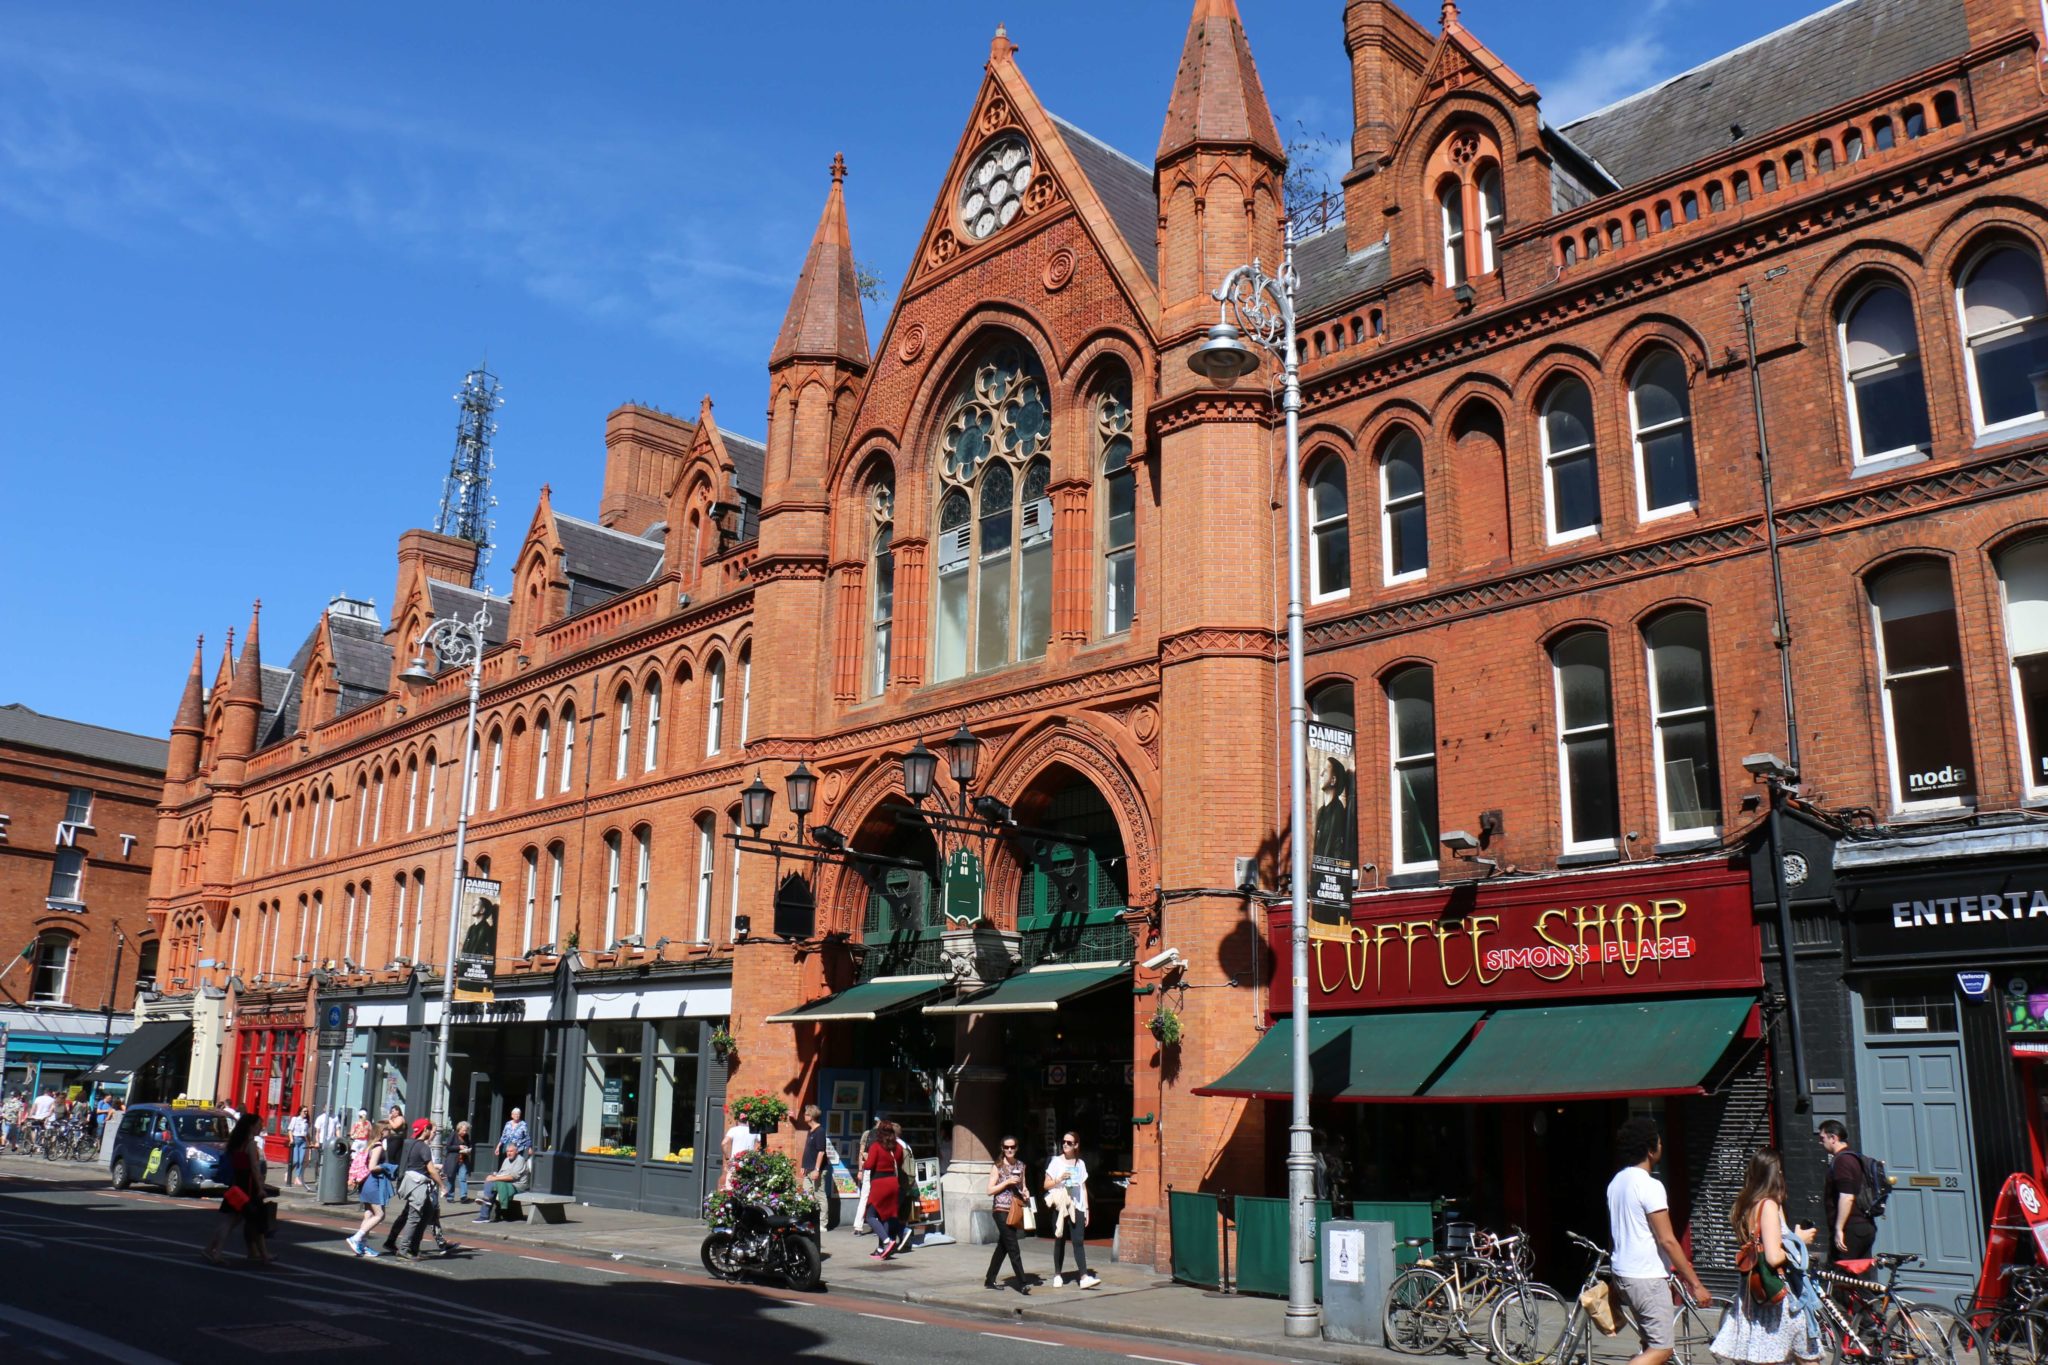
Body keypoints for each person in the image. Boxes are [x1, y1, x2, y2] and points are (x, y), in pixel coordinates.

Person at [1608, 1116, 1710, 1365]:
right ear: (1650, 1149)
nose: (1661, 1147)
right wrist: (1695, 1284)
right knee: (1662, 1350)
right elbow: (1668, 1240)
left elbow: (1614, 1235)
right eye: (1659, 1142)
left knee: (1648, 1345)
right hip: (1647, 1278)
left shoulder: (1616, 1182)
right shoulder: (1650, 1186)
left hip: (1623, 1274)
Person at [1711, 1149, 1821, 1364]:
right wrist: (1799, 1241)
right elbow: (1773, 1256)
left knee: (1770, 1356)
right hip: (1777, 1292)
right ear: (1775, 1173)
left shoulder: (1745, 1206)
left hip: (1754, 1293)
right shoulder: (1767, 1205)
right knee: (1806, 1356)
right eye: (1780, 1171)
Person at [203, 1112, 270, 1266]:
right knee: (253, 1219)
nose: (261, 1127)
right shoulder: (250, 1144)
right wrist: (260, 1187)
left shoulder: (236, 1143)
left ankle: (212, 1250)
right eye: (259, 1124)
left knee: (230, 1221)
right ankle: (217, 1252)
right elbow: (254, 1167)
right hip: (248, 1187)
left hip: (236, 1185)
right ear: (251, 1126)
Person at [385, 1118, 453, 1259]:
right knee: (414, 1217)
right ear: (425, 1130)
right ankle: (405, 1249)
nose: (432, 1133)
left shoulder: (410, 1143)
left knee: (427, 1212)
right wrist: (442, 1186)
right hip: (417, 1186)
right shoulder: (423, 1147)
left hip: (409, 1183)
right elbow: (431, 1170)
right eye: (431, 1129)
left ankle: (414, 1247)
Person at [1043, 1130, 1101, 1288]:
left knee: (1078, 1241)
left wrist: (1087, 1209)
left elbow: (1083, 1187)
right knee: (1059, 1239)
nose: (1065, 1145)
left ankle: (1083, 1277)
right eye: (1064, 1142)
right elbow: (1046, 1184)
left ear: (1076, 1145)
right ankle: (1057, 1274)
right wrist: (1059, 1179)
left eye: (1069, 1142)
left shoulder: (1080, 1164)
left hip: (1077, 1206)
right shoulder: (1056, 1162)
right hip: (1061, 1205)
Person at [1817, 1121, 1877, 1262]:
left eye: (1822, 1138)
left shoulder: (1843, 1161)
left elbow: (1847, 1196)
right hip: (1864, 1227)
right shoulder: (1854, 1158)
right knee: (1859, 1277)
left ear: (1833, 1138)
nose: (1820, 1142)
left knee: (1841, 1278)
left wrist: (1839, 1228)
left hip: (1851, 1230)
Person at [346, 1112, 403, 1257]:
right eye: (388, 1129)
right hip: (373, 1182)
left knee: (369, 1214)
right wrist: (386, 1166)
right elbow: (372, 1167)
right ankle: (356, 1238)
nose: (390, 1132)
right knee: (380, 1214)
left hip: (367, 1183)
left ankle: (362, 1244)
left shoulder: (370, 1144)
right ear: (382, 1131)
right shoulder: (377, 1147)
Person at [984, 1135, 1030, 1294]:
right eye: (1006, 1147)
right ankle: (1023, 1283)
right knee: (1013, 1246)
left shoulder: (1021, 1166)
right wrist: (1006, 1182)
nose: (1009, 1150)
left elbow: (1023, 1186)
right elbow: (989, 1190)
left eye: (1012, 1147)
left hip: (1014, 1209)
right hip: (1000, 1210)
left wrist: (1025, 1193)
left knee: (1003, 1246)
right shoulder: (997, 1166)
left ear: (1016, 1148)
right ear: (1002, 1149)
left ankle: (990, 1279)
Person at [861, 1119, 906, 1259]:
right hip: (893, 1182)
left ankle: (887, 1241)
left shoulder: (876, 1146)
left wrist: (864, 1161)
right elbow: (899, 1162)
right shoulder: (898, 1147)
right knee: (884, 1216)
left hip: (880, 1183)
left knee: (870, 1215)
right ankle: (881, 1249)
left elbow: (869, 1165)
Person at [800, 1104, 840, 1231]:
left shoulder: (820, 1131)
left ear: (811, 1116)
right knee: (806, 1194)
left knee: (820, 1195)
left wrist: (817, 1169)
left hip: (817, 1170)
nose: (804, 1116)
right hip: (808, 1169)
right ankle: (809, 1220)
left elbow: (821, 1152)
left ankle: (823, 1224)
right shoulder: (810, 1131)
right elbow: (808, 1151)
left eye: (806, 1114)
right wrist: (803, 1166)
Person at [476, 1143, 532, 1223]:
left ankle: (484, 1214)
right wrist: (493, 1176)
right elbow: (501, 1173)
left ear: (516, 1151)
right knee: (490, 1181)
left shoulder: (520, 1160)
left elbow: (512, 1177)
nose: (509, 1153)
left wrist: (494, 1178)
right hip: (506, 1183)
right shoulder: (506, 1160)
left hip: (517, 1185)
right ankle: (485, 1207)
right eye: (507, 1151)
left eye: (511, 1151)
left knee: (492, 1184)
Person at [721, 1108, 758, 1191]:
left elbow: (724, 1143)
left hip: (735, 1163)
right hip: (749, 1163)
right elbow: (762, 1143)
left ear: (738, 1120)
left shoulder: (734, 1130)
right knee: (747, 1189)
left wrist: (727, 1158)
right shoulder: (754, 1131)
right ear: (748, 1120)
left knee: (730, 1189)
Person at [448, 1120, 474, 1202]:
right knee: (451, 1178)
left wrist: (468, 1150)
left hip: (463, 1160)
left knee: (462, 1178)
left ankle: (463, 1196)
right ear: (459, 1129)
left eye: (466, 1130)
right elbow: (448, 1147)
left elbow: (469, 1145)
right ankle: (450, 1196)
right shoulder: (453, 1135)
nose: (465, 1132)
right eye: (463, 1130)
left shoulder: (466, 1136)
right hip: (453, 1159)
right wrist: (459, 1147)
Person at [286, 1107, 311, 1189]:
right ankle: (288, 1173)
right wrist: (291, 1139)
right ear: (300, 1111)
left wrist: (310, 1143)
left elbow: (307, 1134)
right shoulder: (295, 1119)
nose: (306, 1113)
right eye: (304, 1111)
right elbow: (290, 1130)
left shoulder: (306, 1122)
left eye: (307, 1111)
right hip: (296, 1140)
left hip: (303, 1141)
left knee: (300, 1161)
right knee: (295, 1160)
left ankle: (297, 1178)